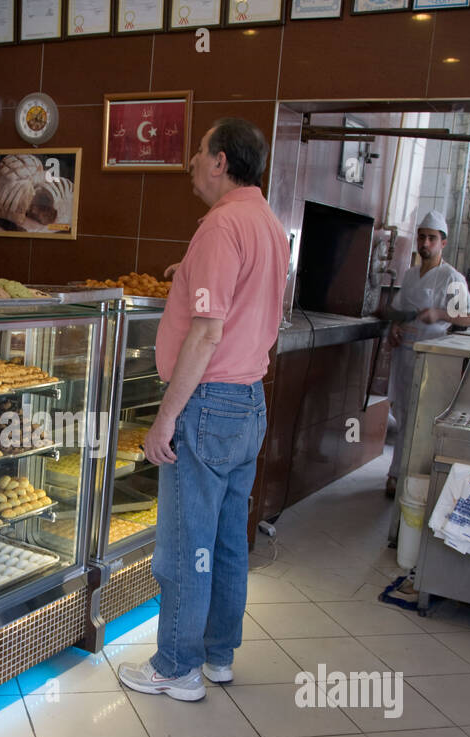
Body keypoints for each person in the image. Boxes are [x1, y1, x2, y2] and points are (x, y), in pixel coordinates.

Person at [116, 118, 290, 702]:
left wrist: (166, 416)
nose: (191, 161)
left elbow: (208, 331)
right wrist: (187, 275)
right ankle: (217, 655)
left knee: (184, 544)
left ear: (219, 161)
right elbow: (232, 297)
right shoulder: (266, 222)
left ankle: (174, 668)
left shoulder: (221, 226)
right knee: (226, 541)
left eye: (198, 152)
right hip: (248, 403)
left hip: (207, 402)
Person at [384, 210, 470, 498]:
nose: (425, 243)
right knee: (401, 414)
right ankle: (396, 475)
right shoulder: (412, 275)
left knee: (418, 420)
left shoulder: (452, 278)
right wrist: (395, 326)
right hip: (405, 356)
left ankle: (405, 478)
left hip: (430, 360)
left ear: (443, 243)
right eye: (422, 237)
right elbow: (400, 310)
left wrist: (439, 313)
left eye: (432, 238)